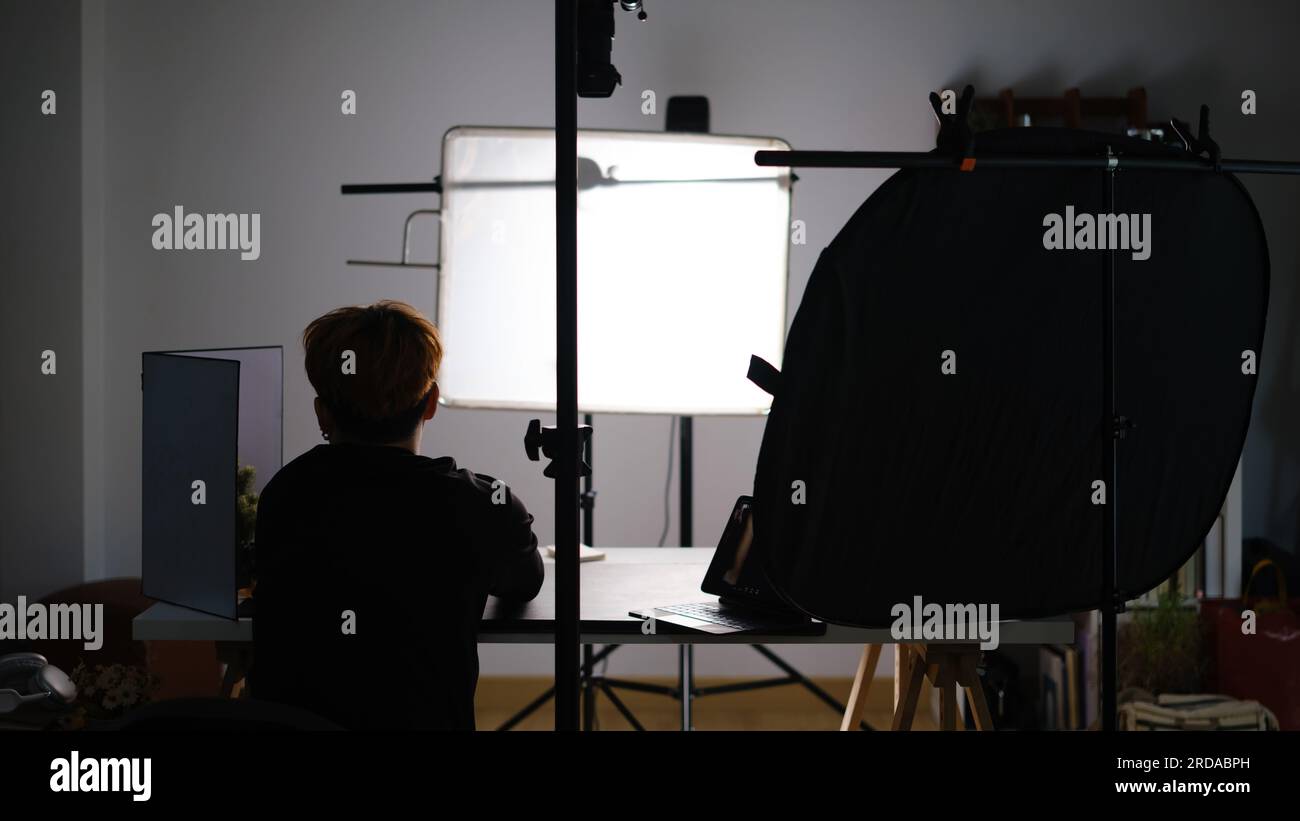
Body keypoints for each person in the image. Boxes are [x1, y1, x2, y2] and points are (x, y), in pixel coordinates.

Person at [249, 300, 543, 730]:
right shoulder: (482, 506)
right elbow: (525, 583)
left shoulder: (285, 494)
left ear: (321, 413)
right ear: (431, 403)